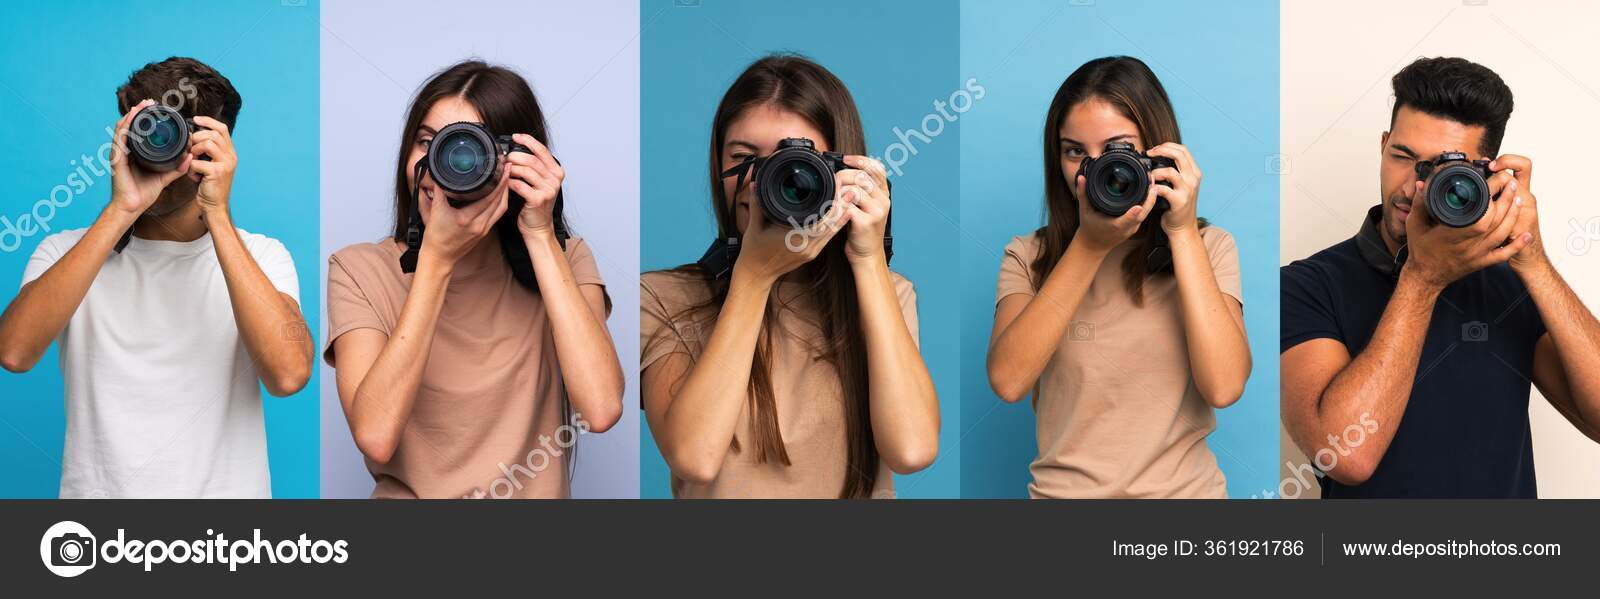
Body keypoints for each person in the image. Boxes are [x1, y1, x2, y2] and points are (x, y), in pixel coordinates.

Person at [1280, 56, 1600, 498]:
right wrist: (1422, 279)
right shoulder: (1305, 286)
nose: (1414, 186)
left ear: (1486, 174)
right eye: (1403, 157)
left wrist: (1532, 257)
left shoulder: (1509, 284)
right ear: (1382, 145)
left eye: (1442, 169)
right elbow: (1345, 456)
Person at [0, 57, 313, 498]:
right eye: (146, 131)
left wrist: (218, 215)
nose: (158, 148)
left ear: (213, 148)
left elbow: (289, 375)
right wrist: (121, 209)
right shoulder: (63, 253)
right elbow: (13, 352)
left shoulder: (262, 256)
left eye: (174, 136)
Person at [640, 55, 939, 498]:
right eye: (744, 157)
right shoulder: (664, 296)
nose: (763, 183)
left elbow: (912, 451)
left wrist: (870, 259)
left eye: (794, 163)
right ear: (716, 162)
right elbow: (694, 457)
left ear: (840, 172)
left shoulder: (887, 293)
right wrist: (754, 277)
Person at [325, 60, 623, 499]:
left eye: (471, 149)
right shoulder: (358, 269)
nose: (447, 165)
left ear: (518, 162)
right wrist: (436, 260)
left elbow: (600, 409)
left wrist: (540, 233)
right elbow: (375, 434)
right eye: (429, 142)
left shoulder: (564, 260)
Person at [986, 56, 1252, 499]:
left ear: (1158, 152)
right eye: (1075, 152)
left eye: (1115, 151)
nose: (1094, 170)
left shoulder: (1210, 247)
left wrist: (1182, 230)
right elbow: (1008, 381)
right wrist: (1089, 247)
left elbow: (1224, 386)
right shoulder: (1028, 255)